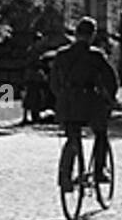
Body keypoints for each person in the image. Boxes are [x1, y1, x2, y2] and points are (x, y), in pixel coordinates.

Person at [49, 17, 118, 188]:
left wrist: (61, 97)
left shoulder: (62, 54)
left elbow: (53, 82)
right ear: (92, 35)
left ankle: (65, 176)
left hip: (68, 103)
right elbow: (111, 80)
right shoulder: (95, 55)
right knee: (101, 133)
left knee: (72, 137)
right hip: (89, 102)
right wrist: (110, 99)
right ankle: (99, 170)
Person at [21, 31, 51, 126]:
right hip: (32, 76)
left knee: (35, 96)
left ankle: (34, 115)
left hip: (35, 77)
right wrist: (42, 65)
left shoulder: (36, 51)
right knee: (31, 96)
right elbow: (32, 63)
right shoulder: (33, 51)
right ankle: (30, 116)